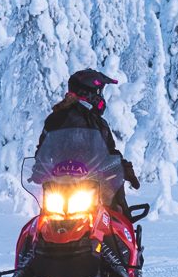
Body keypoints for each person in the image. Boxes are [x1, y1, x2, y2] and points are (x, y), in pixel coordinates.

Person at [35, 68, 142, 212]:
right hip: (59, 185)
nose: (100, 97)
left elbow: (110, 152)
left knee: (117, 209)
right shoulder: (57, 119)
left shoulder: (98, 123)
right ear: (90, 93)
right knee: (44, 218)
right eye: (99, 92)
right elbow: (43, 148)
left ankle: (123, 224)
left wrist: (123, 167)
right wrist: (40, 166)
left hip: (92, 184)